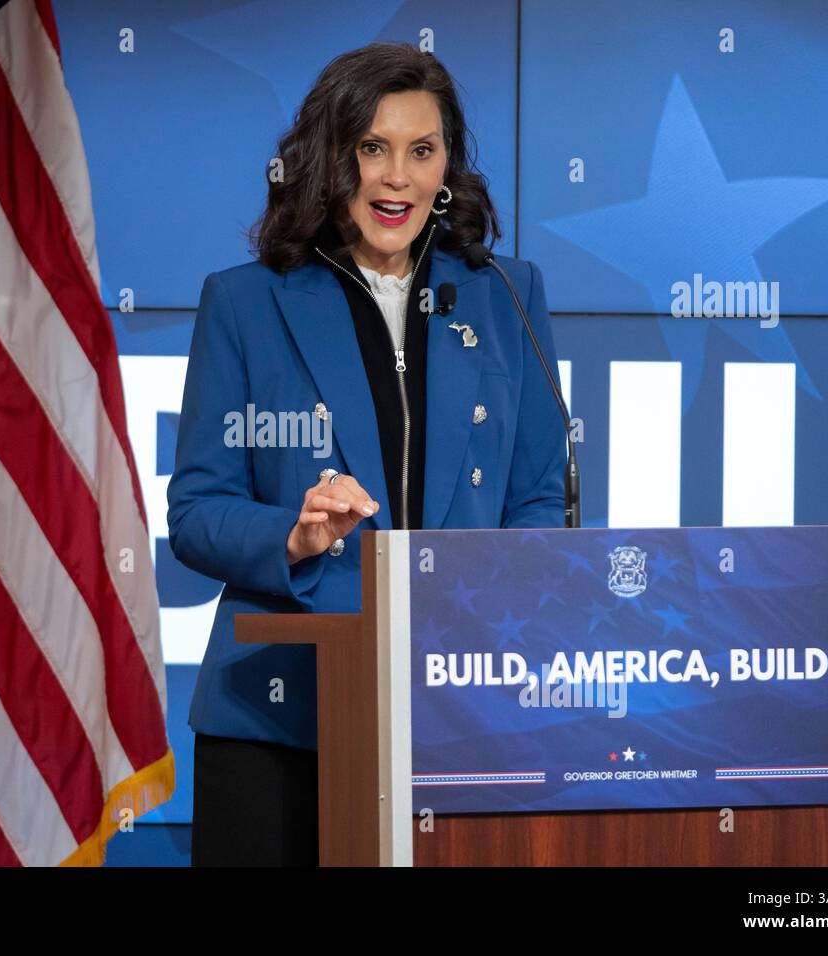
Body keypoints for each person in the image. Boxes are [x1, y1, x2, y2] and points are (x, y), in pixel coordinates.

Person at [167, 42, 567, 866]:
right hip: (281, 714)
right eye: (373, 149)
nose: (397, 178)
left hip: (463, 706)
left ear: (447, 165)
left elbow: (539, 498)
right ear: (330, 158)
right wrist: (296, 534)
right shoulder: (245, 304)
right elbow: (197, 513)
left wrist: (500, 622)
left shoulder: (506, 296)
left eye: (422, 151)